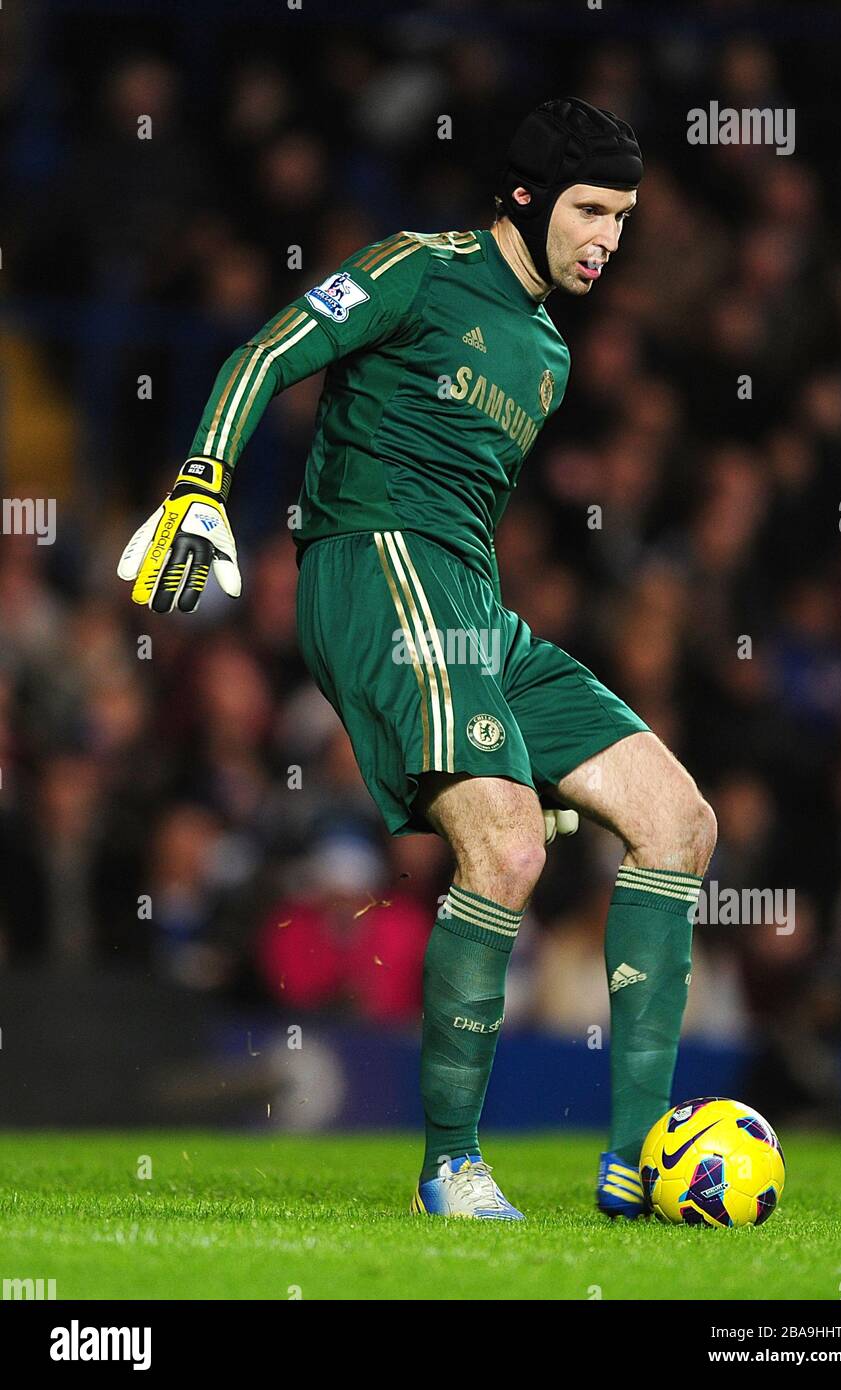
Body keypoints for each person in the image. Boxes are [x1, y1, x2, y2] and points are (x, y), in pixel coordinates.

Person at [118, 98, 717, 1220]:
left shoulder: (544, 352)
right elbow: (266, 350)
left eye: (624, 217)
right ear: (525, 199)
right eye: (591, 210)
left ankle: (637, 1164)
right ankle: (449, 1165)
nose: (608, 238)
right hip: (371, 561)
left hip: (472, 603)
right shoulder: (417, 268)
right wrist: (201, 482)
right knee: (505, 841)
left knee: (678, 820)